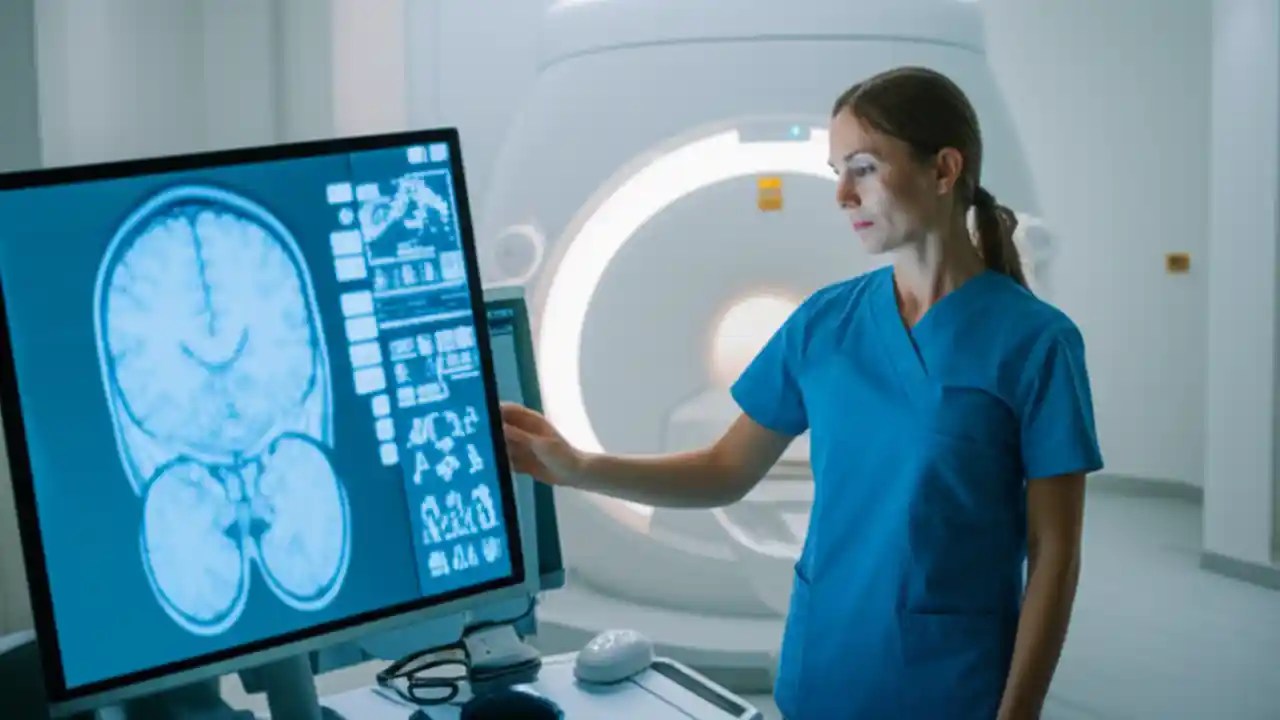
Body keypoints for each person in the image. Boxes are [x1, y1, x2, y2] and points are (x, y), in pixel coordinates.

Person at [501, 65, 1103, 720]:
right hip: (822, 671)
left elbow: (1054, 555)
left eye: (864, 168)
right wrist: (577, 467)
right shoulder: (825, 323)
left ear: (943, 169)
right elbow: (725, 471)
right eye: (836, 169)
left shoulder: (1036, 343)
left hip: (951, 683)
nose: (841, 192)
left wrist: (1018, 714)